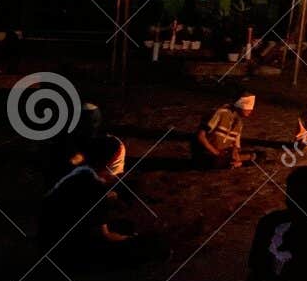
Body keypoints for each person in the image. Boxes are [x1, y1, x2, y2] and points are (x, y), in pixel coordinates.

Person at [38, 136, 162, 268]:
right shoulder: (97, 192)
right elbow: (103, 237)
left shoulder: (71, 169)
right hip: (64, 251)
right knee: (141, 245)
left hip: (45, 232)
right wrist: (129, 240)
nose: (120, 173)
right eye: (118, 168)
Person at [192, 94, 256, 168]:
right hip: (207, 153)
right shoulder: (221, 113)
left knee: (258, 155)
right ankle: (235, 163)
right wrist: (216, 152)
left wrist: (235, 153)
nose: (250, 111)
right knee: (217, 161)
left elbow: (236, 145)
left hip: (223, 154)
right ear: (241, 105)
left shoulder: (239, 123)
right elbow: (200, 136)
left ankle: (235, 163)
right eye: (248, 108)